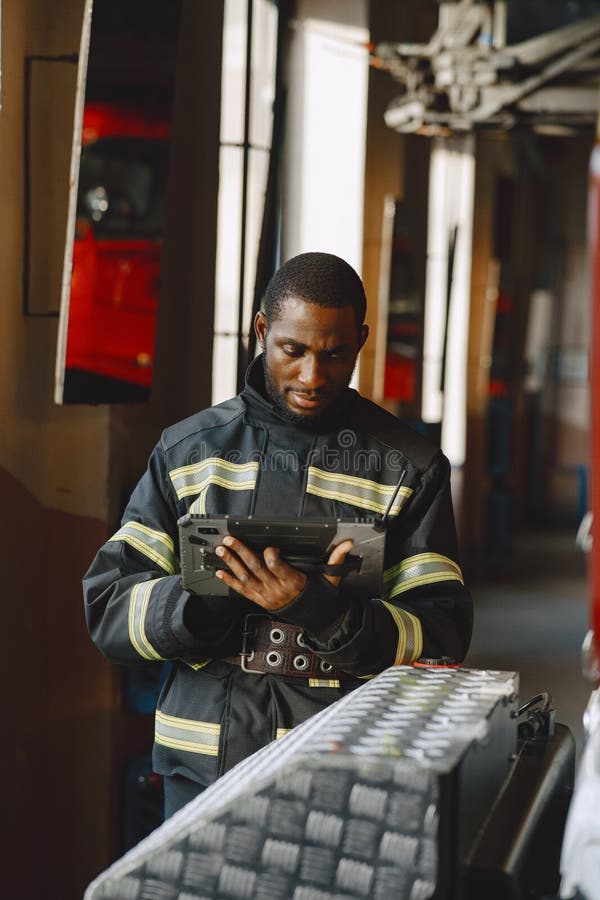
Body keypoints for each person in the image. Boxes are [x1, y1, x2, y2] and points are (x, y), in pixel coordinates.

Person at [83, 251, 472, 817]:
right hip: (201, 774)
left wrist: (325, 614)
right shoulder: (189, 453)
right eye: (294, 351)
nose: (313, 376)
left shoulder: (407, 467)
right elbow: (108, 608)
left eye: (336, 355)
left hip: (341, 772)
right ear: (263, 331)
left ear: (360, 341)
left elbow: (442, 636)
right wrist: (204, 603)